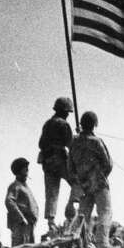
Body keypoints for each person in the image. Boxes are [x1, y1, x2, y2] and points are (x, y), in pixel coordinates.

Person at [67, 111, 113, 248]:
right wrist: (100, 176)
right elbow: (108, 164)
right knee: (105, 212)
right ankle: (102, 244)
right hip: (99, 183)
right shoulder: (96, 142)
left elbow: (70, 168)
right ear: (94, 125)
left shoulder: (73, 143)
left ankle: (81, 245)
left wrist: (81, 181)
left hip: (83, 185)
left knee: (83, 216)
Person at [37, 96, 77, 232]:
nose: (68, 115)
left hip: (47, 162)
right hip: (59, 160)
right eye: (67, 112)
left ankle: (51, 221)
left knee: (51, 192)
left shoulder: (47, 124)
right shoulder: (63, 124)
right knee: (77, 182)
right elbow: (71, 144)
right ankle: (71, 209)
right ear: (64, 111)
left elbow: (40, 143)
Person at [5, 157, 40, 247]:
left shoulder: (25, 187)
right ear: (19, 171)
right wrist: (21, 218)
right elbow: (9, 201)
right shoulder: (15, 186)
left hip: (29, 224)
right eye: (25, 168)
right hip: (21, 225)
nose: (27, 170)